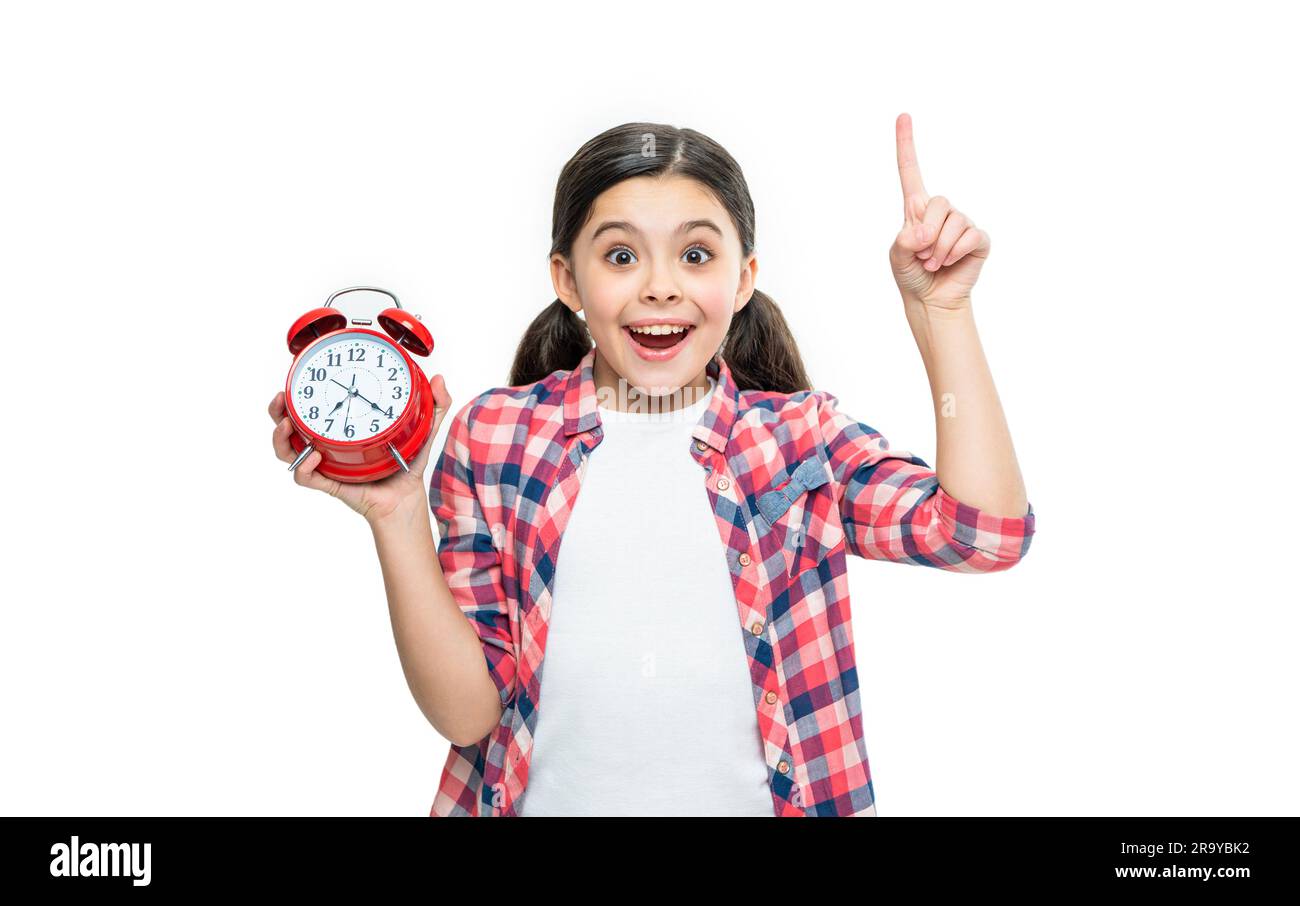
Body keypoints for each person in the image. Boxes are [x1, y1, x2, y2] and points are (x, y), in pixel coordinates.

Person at [267, 114, 1036, 817]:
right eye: (622, 255)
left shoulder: (801, 440)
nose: (660, 285)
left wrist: (943, 315)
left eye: (695, 254)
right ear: (568, 279)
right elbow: (470, 715)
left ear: (743, 277)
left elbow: (985, 535)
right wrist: (399, 516)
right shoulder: (494, 438)